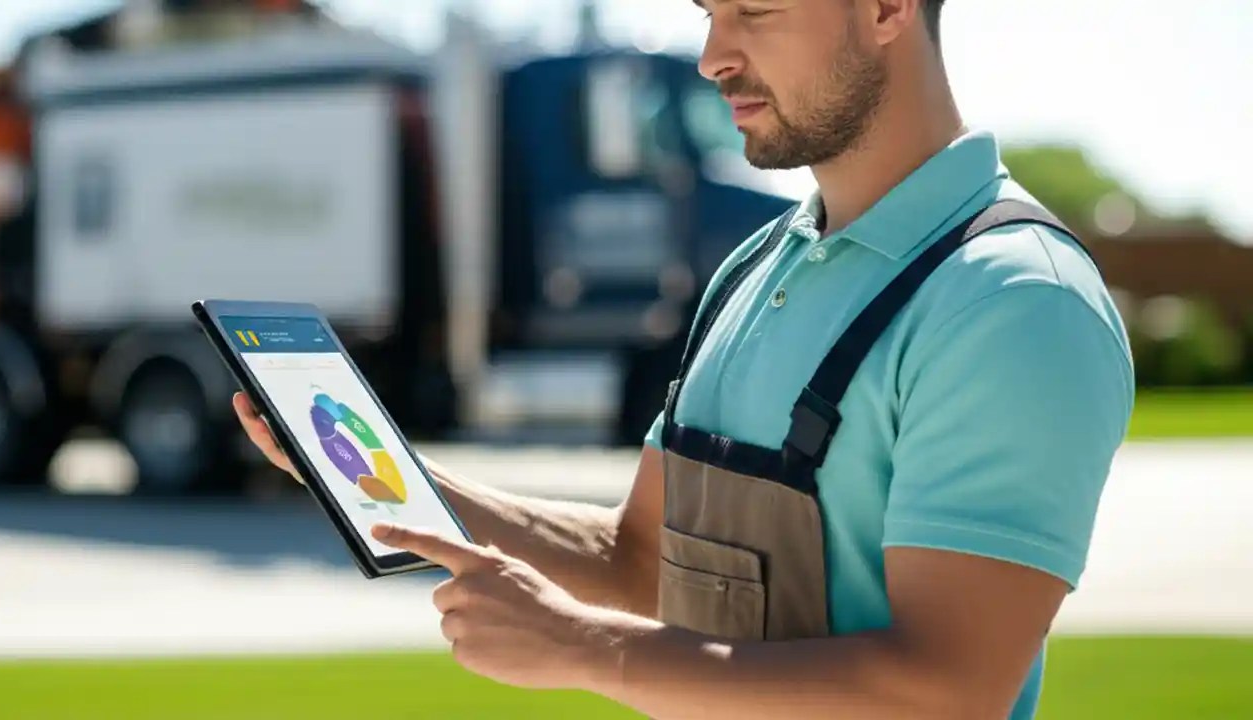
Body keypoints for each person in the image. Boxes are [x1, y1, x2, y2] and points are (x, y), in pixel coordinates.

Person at [235, 0, 1134, 717]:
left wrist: (583, 647)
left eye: (755, 11)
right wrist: (396, 481)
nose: (712, 56)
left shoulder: (1013, 302)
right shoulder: (757, 265)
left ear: (888, 8)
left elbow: (944, 692)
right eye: (709, 12)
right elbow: (643, 560)